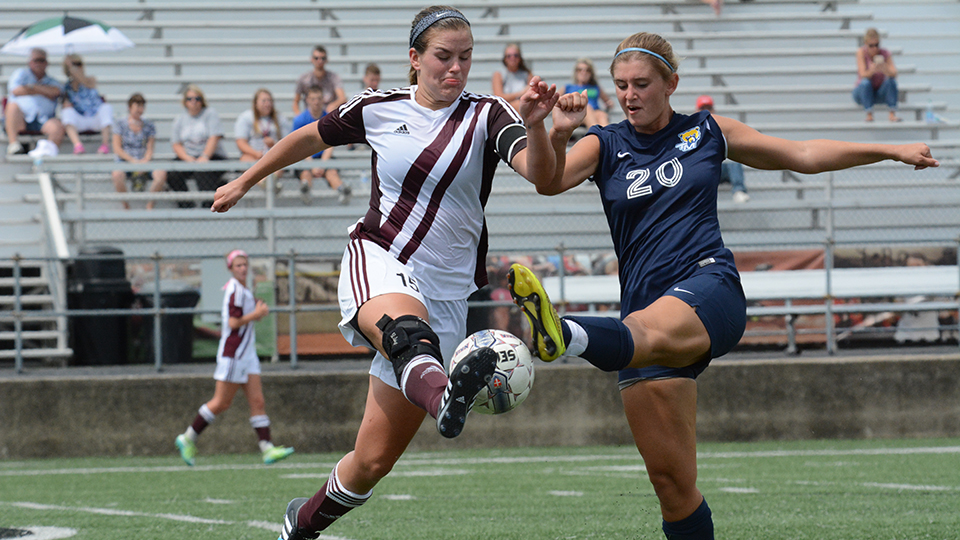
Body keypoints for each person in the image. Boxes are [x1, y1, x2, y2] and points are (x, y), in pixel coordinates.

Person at [508, 31, 938, 540]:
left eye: (642, 84)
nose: (629, 96)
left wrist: (889, 149)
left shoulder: (707, 130)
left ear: (672, 83)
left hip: (708, 287)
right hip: (641, 316)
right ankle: (577, 337)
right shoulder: (605, 142)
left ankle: (569, 335)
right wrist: (553, 132)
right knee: (673, 486)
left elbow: (801, 152)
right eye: (621, 85)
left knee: (639, 331)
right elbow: (548, 180)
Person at [211, 6, 560, 538]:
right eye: (443, 57)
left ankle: (299, 525)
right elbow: (308, 138)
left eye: (465, 58)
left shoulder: (490, 114)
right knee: (406, 333)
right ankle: (444, 393)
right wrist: (245, 181)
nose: (455, 69)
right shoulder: (377, 107)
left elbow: (540, 174)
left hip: (447, 295)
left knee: (370, 464)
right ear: (414, 59)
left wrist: (538, 127)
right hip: (380, 255)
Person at [175, 249, 295, 466]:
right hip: (234, 353)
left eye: (244, 264)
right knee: (221, 402)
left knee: (258, 401)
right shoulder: (235, 290)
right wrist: (256, 315)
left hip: (247, 354)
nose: (242, 268)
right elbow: (232, 323)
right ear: (230, 269)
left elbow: (243, 317)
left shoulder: (243, 290)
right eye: (238, 265)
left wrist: (256, 311)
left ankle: (267, 449)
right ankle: (187, 438)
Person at [168, 84, 228, 208]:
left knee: (202, 171)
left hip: (212, 156)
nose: (193, 102)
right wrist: (188, 159)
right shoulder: (180, 119)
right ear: (185, 102)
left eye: (197, 98)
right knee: (172, 174)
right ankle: (187, 205)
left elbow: (214, 138)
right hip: (190, 157)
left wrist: (205, 156)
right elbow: (176, 144)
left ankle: (208, 206)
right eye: (190, 99)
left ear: (202, 100)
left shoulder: (210, 114)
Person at [291, 85, 350, 204]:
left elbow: (331, 144)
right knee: (306, 172)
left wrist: (322, 164)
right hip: (306, 157)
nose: (316, 102)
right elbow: (300, 146)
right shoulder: (300, 120)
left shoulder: (329, 118)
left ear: (323, 99)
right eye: (313, 99)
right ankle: (305, 189)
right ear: (307, 100)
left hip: (324, 156)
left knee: (331, 171)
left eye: (318, 98)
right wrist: (313, 165)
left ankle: (342, 190)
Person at [111, 93, 167, 210]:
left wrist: (144, 161)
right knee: (117, 174)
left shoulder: (148, 125)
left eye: (142, 106)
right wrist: (132, 161)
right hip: (125, 161)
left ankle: (150, 205)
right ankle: (126, 205)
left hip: (143, 160)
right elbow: (117, 148)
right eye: (137, 106)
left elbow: (150, 147)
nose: (140, 110)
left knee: (161, 174)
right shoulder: (120, 123)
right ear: (130, 107)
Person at [4, 48, 64, 157]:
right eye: (35, 60)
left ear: (46, 63)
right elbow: (15, 90)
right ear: (30, 62)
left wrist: (31, 88)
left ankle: (46, 154)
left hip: (44, 120)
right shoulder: (20, 74)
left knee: (57, 126)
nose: (38, 63)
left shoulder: (52, 81)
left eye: (41, 60)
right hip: (22, 119)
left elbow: (55, 92)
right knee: (12, 107)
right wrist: (43, 90)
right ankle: (13, 144)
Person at [695, 95, 749, 203]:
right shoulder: (692, 131)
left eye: (708, 108)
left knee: (733, 157)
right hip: (705, 170)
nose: (706, 112)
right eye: (703, 108)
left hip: (721, 167)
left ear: (713, 110)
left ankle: (739, 190)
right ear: (697, 111)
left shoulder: (721, 127)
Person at [60, 54, 114, 155]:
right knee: (66, 112)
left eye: (78, 64)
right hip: (80, 119)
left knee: (106, 108)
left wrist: (72, 68)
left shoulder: (91, 79)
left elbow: (86, 82)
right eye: (74, 65)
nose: (76, 67)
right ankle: (78, 145)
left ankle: (105, 145)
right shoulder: (67, 87)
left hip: (95, 117)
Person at [853, 28, 900, 123]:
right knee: (865, 83)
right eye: (871, 46)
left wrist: (885, 69)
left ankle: (892, 113)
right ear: (866, 44)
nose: (874, 48)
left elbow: (894, 73)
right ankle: (869, 114)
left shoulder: (885, 53)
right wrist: (872, 70)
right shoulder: (861, 52)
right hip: (862, 93)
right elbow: (863, 74)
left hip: (878, 92)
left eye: (876, 45)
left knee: (891, 81)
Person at [293, 45, 347, 116]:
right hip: (310, 117)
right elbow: (296, 102)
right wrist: (300, 117)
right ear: (311, 59)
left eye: (323, 58)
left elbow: (342, 98)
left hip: (328, 116)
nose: (319, 61)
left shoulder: (333, 78)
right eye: (316, 58)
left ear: (327, 60)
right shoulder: (304, 79)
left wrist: (332, 105)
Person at [235, 88, 287, 162]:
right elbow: (241, 142)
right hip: (253, 155)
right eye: (264, 101)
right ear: (256, 103)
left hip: (274, 155)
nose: (267, 104)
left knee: (281, 161)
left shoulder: (280, 118)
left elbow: (287, 142)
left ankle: (274, 174)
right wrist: (255, 153)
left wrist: (274, 145)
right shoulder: (246, 117)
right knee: (245, 159)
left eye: (269, 100)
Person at [564, 57, 614, 129]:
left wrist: (609, 103)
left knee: (602, 114)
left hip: (595, 113)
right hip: (577, 115)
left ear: (591, 73)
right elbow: (556, 99)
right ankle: (597, 134)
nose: (583, 72)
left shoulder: (595, 87)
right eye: (580, 70)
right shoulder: (568, 87)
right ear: (576, 72)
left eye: (587, 70)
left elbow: (607, 100)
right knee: (587, 108)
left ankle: (607, 137)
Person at [491, 43, 533, 111]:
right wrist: (520, 93)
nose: (512, 58)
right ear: (505, 59)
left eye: (515, 55)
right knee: (518, 105)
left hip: (523, 106)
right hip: (504, 108)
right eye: (509, 56)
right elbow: (498, 97)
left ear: (520, 58)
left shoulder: (527, 74)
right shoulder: (498, 74)